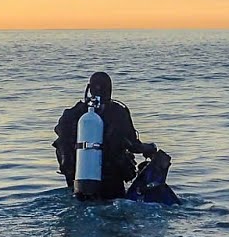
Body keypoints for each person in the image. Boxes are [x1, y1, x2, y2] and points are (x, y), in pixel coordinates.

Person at [53, 71, 159, 201]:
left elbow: (60, 135)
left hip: (80, 180)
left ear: (89, 88)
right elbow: (133, 145)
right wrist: (150, 148)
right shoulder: (118, 112)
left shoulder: (73, 113)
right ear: (110, 89)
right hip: (112, 183)